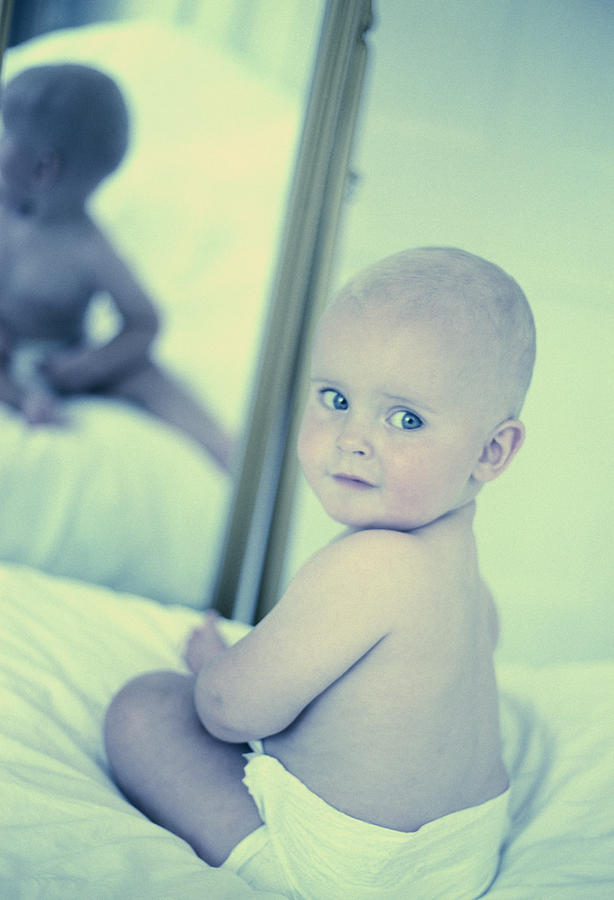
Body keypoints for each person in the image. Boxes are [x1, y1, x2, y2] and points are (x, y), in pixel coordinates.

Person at [104, 247, 536, 898]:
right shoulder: (464, 578)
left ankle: (265, 869)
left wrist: (214, 666)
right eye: (335, 399)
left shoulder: (367, 564)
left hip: (351, 870)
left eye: (405, 418)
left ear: (491, 450)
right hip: (459, 857)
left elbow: (227, 711)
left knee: (144, 712)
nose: (352, 438)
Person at [0, 63, 233, 470]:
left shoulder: (91, 249)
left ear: (44, 168)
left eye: (6, 136)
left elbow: (145, 323)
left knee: (149, 376)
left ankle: (232, 458)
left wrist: (91, 364)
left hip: (60, 361)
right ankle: (22, 399)